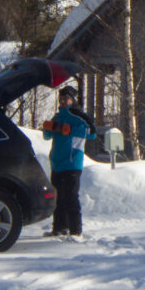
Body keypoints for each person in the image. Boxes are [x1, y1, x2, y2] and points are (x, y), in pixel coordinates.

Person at [42, 85, 94, 238]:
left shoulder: (79, 116)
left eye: (67, 99)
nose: (63, 102)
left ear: (73, 100)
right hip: (57, 163)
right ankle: (59, 228)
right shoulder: (57, 117)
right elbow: (46, 137)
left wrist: (68, 129)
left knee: (71, 197)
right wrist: (48, 128)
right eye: (62, 99)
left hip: (72, 164)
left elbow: (92, 133)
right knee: (58, 198)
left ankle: (75, 231)